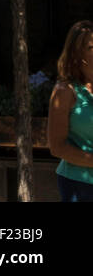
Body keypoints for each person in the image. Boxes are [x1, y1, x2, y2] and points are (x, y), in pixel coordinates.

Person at [49, 20, 93, 202]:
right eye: (92, 47)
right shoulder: (65, 91)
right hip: (79, 185)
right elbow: (57, 147)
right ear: (78, 53)